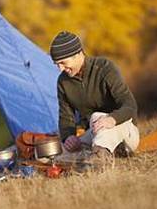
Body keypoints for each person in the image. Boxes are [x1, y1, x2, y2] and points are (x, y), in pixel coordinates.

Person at [50, 31, 139, 170]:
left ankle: (100, 159)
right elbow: (66, 117)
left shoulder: (105, 68)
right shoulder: (62, 82)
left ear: (77, 54)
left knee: (96, 117)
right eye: (57, 64)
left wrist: (112, 119)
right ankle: (97, 155)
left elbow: (130, 105)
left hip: (125, 129)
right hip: (94, 133)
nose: (60, 68)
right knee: (58, 155)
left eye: (62, 62)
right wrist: (68, 138)